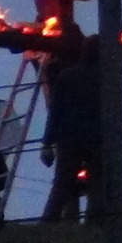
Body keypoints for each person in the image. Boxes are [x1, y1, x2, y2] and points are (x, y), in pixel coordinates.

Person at [40, 33, 102, 224]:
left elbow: (55, 111)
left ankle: (48, 223)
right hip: (97, 139)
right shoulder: (107, 79)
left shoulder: (67, 76)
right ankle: (95, 223)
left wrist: (47, 142)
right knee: (97, 185)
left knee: (62, 184)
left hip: (69, 138)